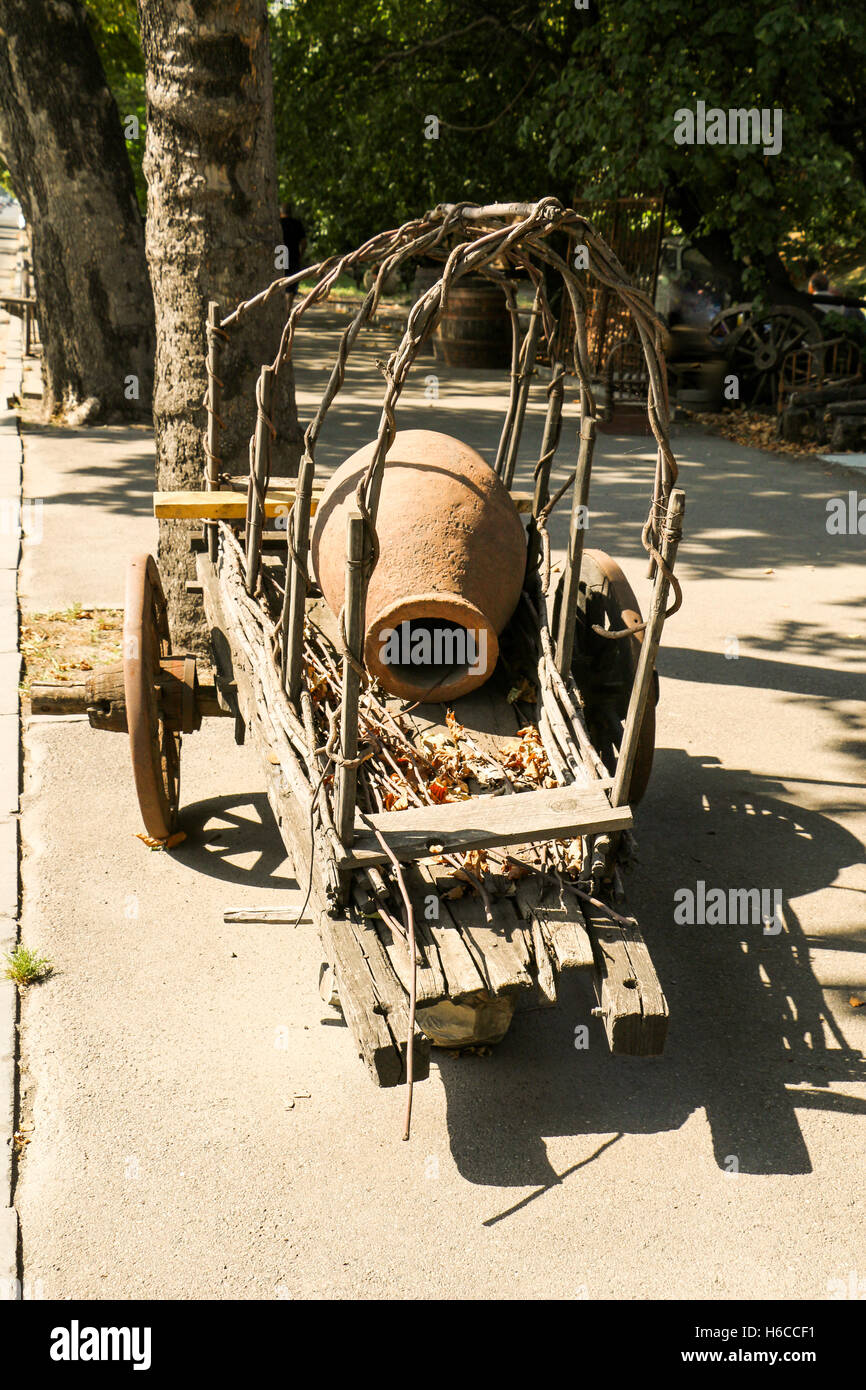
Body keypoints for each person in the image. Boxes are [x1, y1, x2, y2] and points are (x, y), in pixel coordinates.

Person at [279, 202, 307, 305]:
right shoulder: (297, 224)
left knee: (279, 282)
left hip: (280, 256)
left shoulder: (278, 223)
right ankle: (288, 307)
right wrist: (301, 255)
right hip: (294, 256)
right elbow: (304, 243)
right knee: (292, 283)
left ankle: (281, 308)